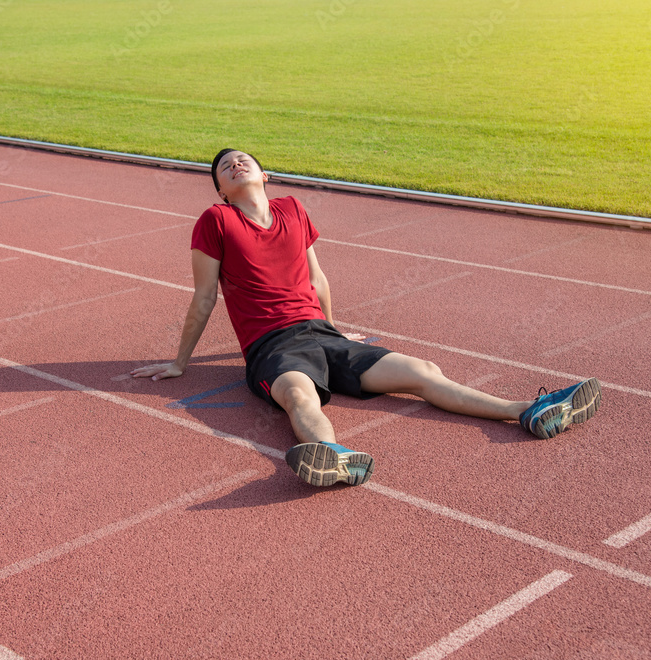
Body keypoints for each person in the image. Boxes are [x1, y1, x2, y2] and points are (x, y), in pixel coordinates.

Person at [132, 149, 601, 487]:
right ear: (220, 188)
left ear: (264, 174)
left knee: (421, 372)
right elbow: (203, 297)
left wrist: (334, 329)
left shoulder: (293, 208)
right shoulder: (216, 221)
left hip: (322, 334)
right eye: (224, 167)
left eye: (243, 160)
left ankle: (527, 410)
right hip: (271, 346)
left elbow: (317, 278)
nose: (235, 165)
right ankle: (334, 456)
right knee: (298, 394)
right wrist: (179, 362)